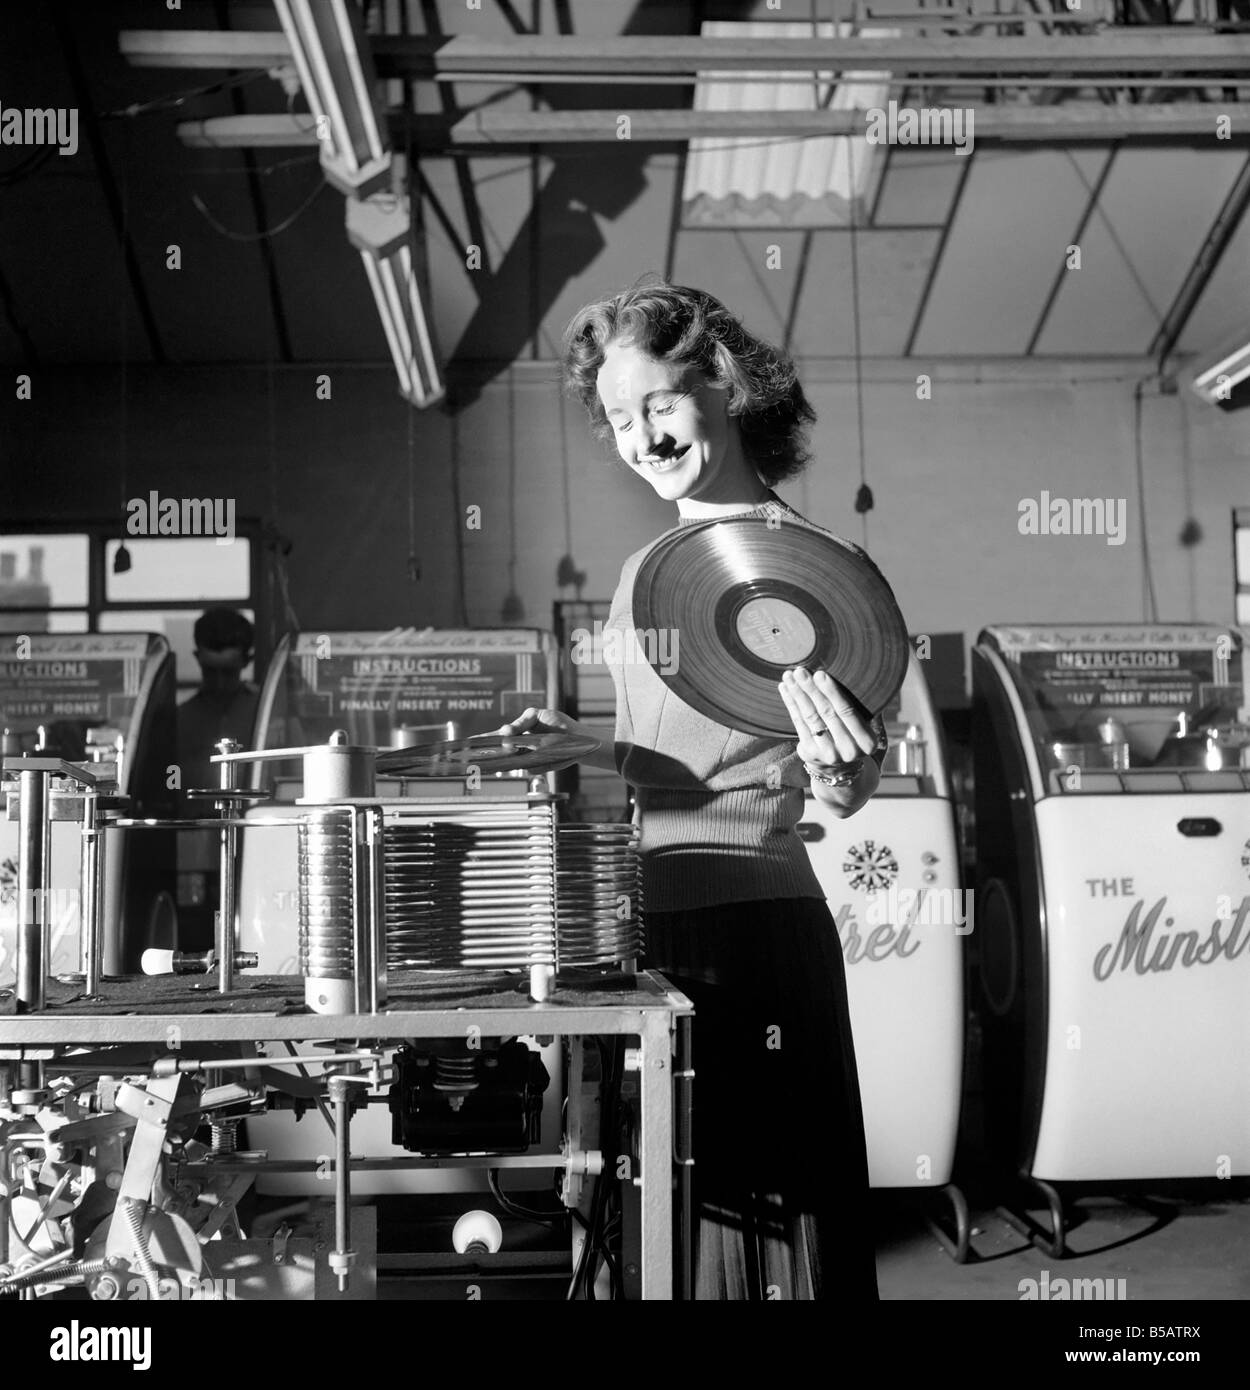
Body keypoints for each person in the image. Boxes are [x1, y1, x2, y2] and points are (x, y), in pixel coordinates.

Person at [501, 279, 892, 1300]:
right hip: (648, 932)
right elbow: (672, 765)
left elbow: (845, 785)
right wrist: (585, 748)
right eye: (620, 419)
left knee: (761, 1249)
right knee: (660, 1236)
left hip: (757, 933)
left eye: (660, 403)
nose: (643, 438)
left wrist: (841, 770)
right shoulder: (641, 574)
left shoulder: (820, 567)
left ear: (724, 383)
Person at [176, 607, 260, 795]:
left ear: (247, 660)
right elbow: (168, 777)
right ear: (197, 658)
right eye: (210, 672)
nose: (219, 683)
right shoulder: (179, 720)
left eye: (228, 672)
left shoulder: (268, 714)